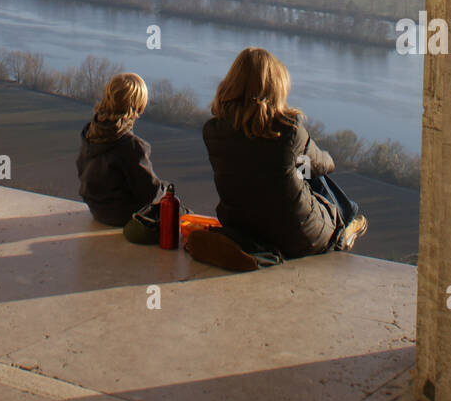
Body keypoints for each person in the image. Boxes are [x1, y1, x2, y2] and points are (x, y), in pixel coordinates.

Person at [190, 46, 367, 271]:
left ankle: (251, 247)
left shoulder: (212, 130)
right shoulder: (289, 130)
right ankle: (345, 226)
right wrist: (323, 157)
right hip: (298, 236)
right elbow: (324, 165)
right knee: (308, 168)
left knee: (294, 166)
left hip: (242, 225)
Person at [76, 72, 167, 226]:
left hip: (97, 209)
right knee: (178, 210)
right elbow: (150, 193)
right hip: (122, 215)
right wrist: (166, 189)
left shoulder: (89, 132)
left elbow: (81, 167)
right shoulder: (131, 146)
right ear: (138, 106)